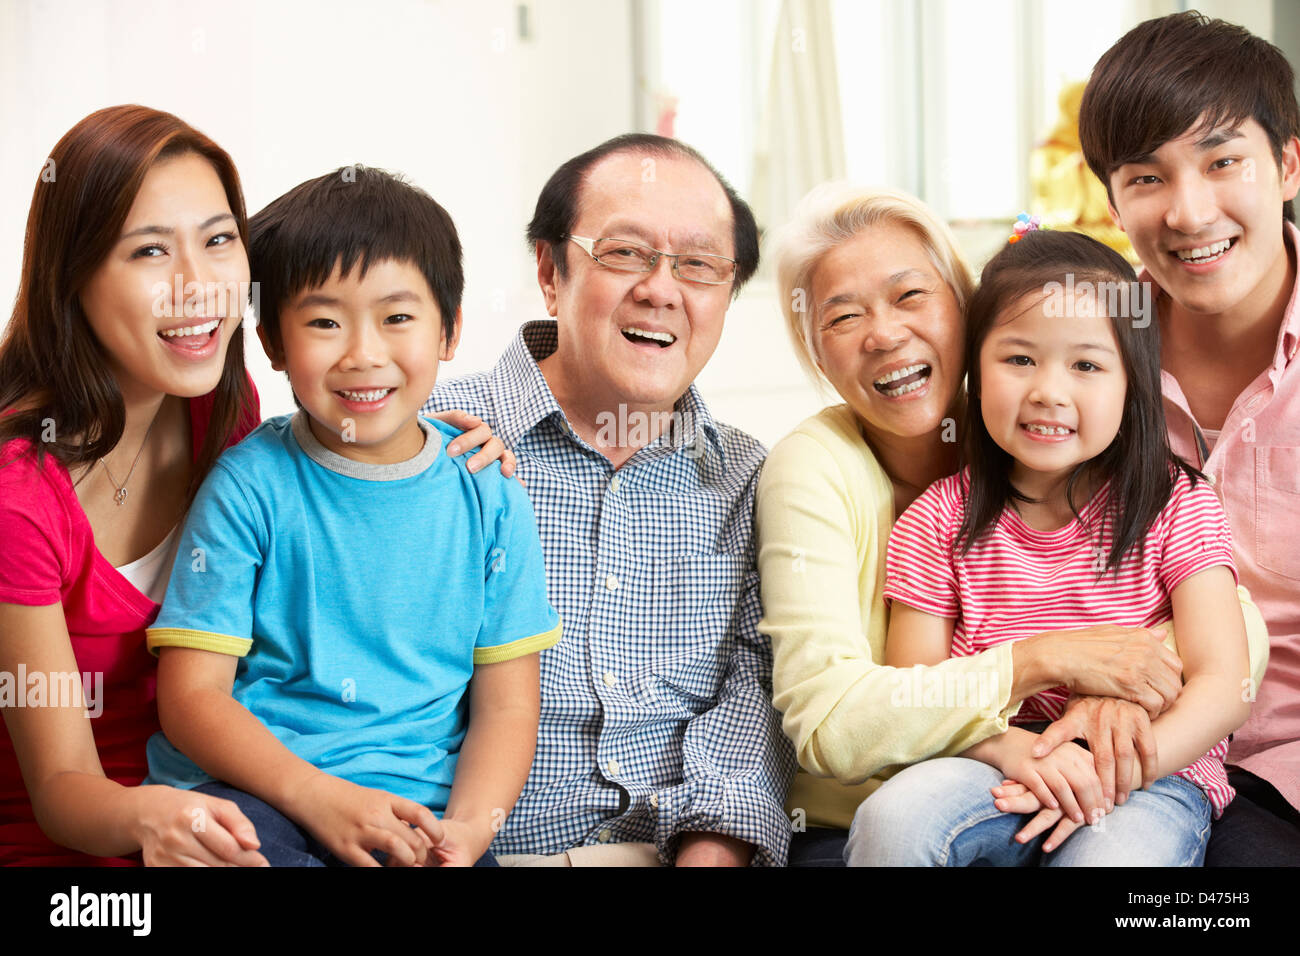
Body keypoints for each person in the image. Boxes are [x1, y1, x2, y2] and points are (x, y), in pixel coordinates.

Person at [756, 183, 1269, 867]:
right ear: (980, 356)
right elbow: (918, 689)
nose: (1048, 391)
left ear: (1133, 384)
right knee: (894, 822)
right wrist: (1021, 751)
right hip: (988, 765)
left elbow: (1224, 678)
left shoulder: (1175, 503)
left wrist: (1111, 768)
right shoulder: (935, 517)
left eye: (1086, 365)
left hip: (1150, 773)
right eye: (1019, 359)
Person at [143, 165, 561, 867]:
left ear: (449, 331)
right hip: (264, 795)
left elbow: (508, 708)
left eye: (397, 318)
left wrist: (469, 832)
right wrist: (315, 796)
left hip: (419, 816)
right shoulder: (250, 486)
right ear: (274, 344)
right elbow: (190, 697)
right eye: (325, 323)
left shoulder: (489, 495)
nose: (363, 354)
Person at [427, 133, 796, 866]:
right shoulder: (425, 439)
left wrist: (712, 855)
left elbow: (756, 694)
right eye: (624, 252)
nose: (661, 289)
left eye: (699, 265)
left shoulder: (752, 479)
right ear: (550, 271)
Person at [1078, 11, 1300, 865]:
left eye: (1222, 161)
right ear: (1112, 201)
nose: (1188, 212)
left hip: (1281, 774)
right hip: (1111, 757)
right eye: (1146, 178)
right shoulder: (1078, 359)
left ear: (1286, 165)